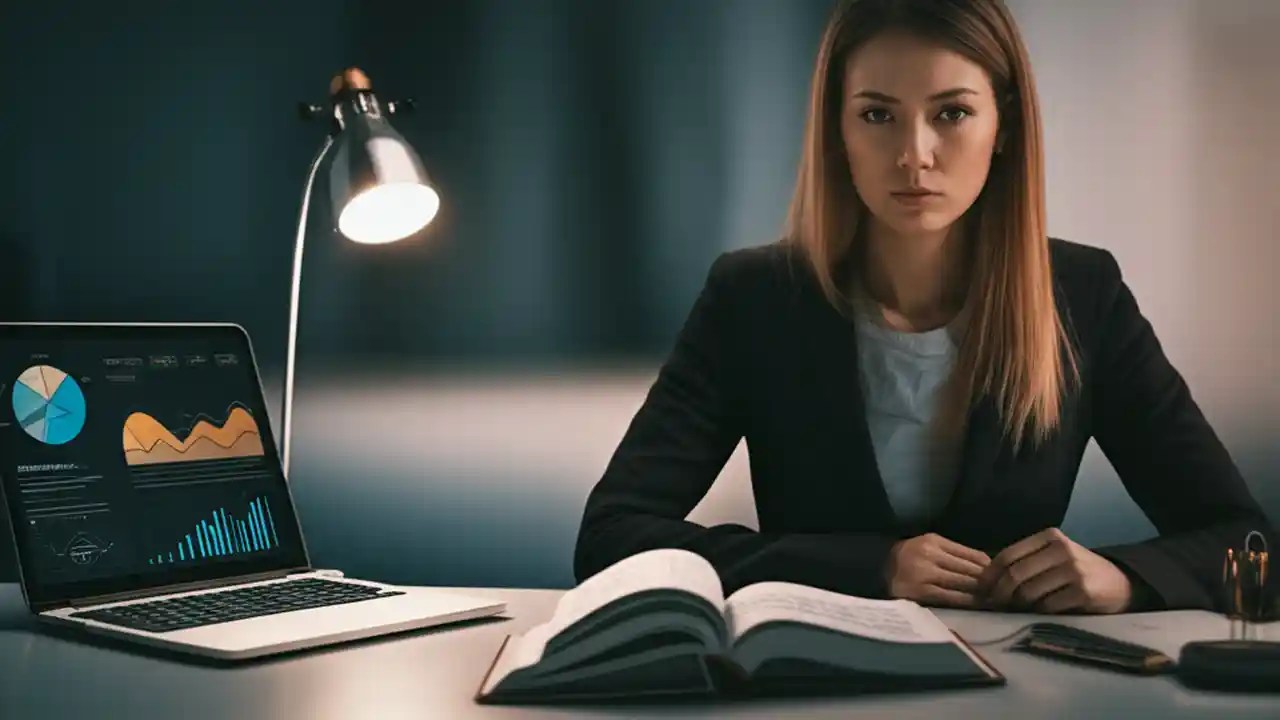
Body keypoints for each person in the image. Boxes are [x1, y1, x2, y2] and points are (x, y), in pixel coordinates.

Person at [573, 0, 1274, 614]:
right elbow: (611, 536)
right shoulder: (755, 298)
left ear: (1004, 127)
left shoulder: (1084, 297)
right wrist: (869, 567)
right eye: (878, 114)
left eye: (952, 113)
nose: (915, 155)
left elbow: (1248, 543)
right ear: (836, 132)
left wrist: (1124, 579)